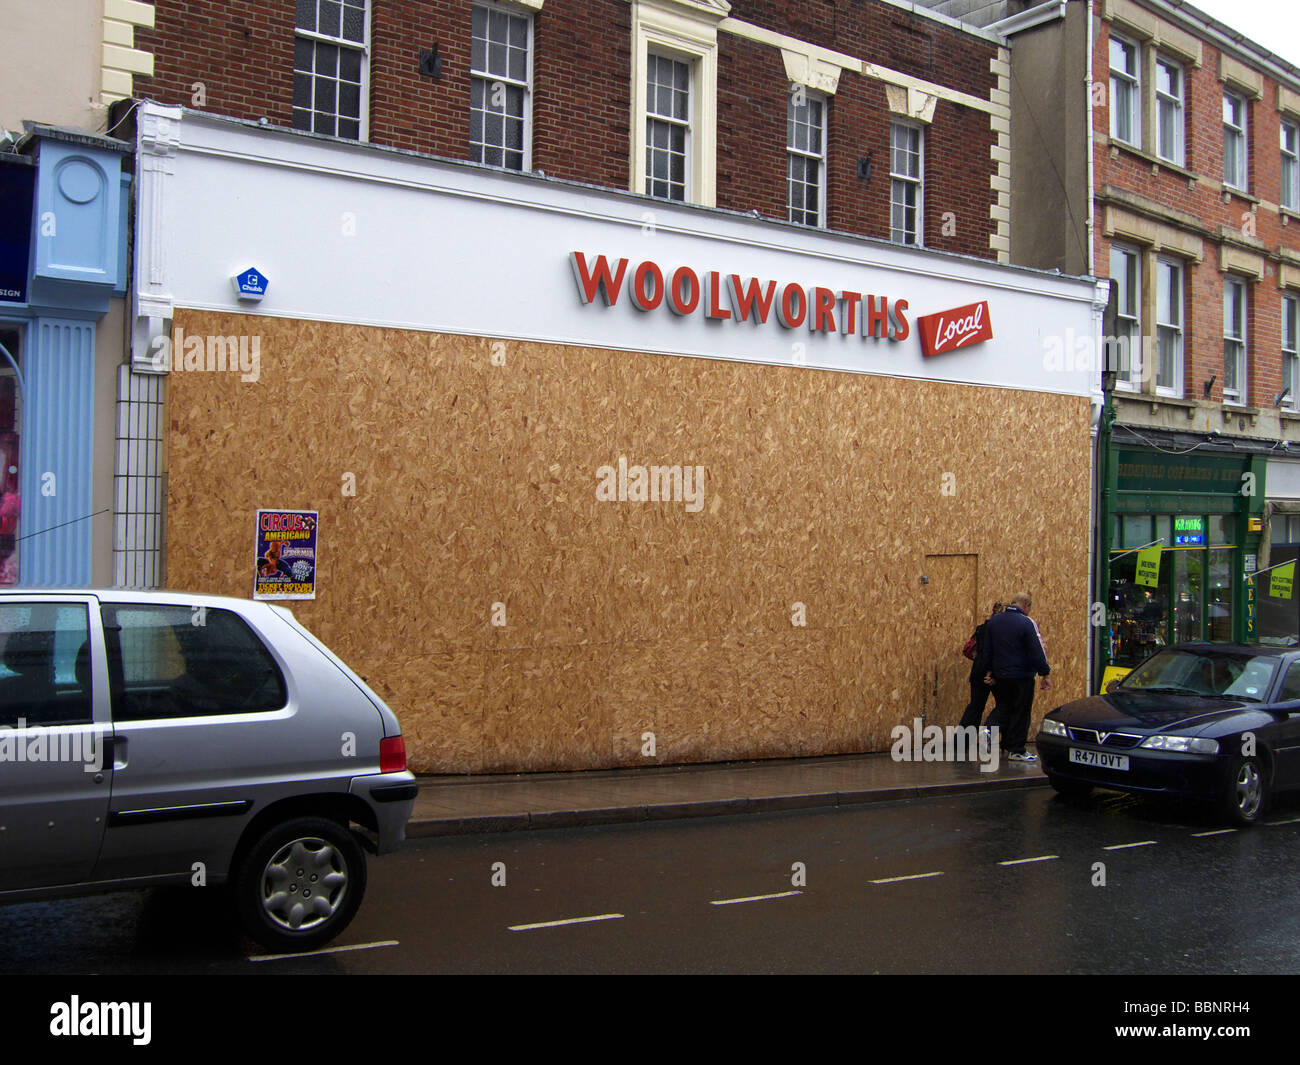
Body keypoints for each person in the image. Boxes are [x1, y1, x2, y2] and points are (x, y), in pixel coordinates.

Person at [982, 592, 1051, 761]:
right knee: (1021, 711)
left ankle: (989, 730)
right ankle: (1017, 750)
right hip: (1022, 675)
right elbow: (1037, 650)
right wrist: (1045, 673)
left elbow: (987, 649)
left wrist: (989, 671)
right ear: (1026, 605)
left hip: (1000, 675)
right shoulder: (1027, 623)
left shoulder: (994, 621)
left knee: (1003, 706)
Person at [958, 601, 1003, 729]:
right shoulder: (1000, 631)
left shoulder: (982, 628)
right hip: (994, 672)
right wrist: (992, 673)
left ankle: (961, 742)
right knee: (1003, 706)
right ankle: (988, 735)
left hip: (978, 670)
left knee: (975, 706)